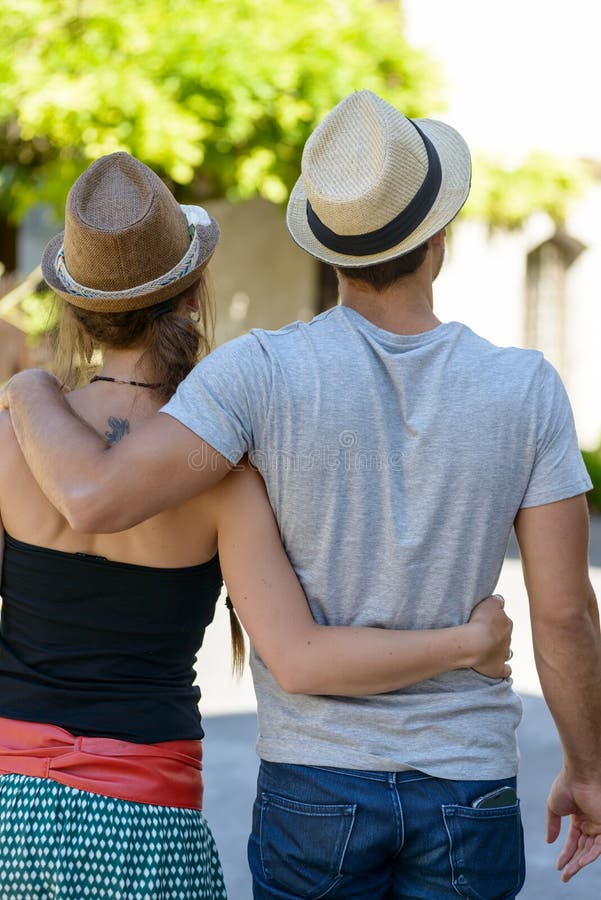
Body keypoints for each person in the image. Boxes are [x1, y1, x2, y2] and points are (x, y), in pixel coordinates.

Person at [3, 93, 599, 897]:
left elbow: (96, 492)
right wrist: (587, 768)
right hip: (457, 778)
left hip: (301, 785)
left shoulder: (255, 377)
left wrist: (27, 383)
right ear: (438, 238)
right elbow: (563, 613)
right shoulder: (524, 388)